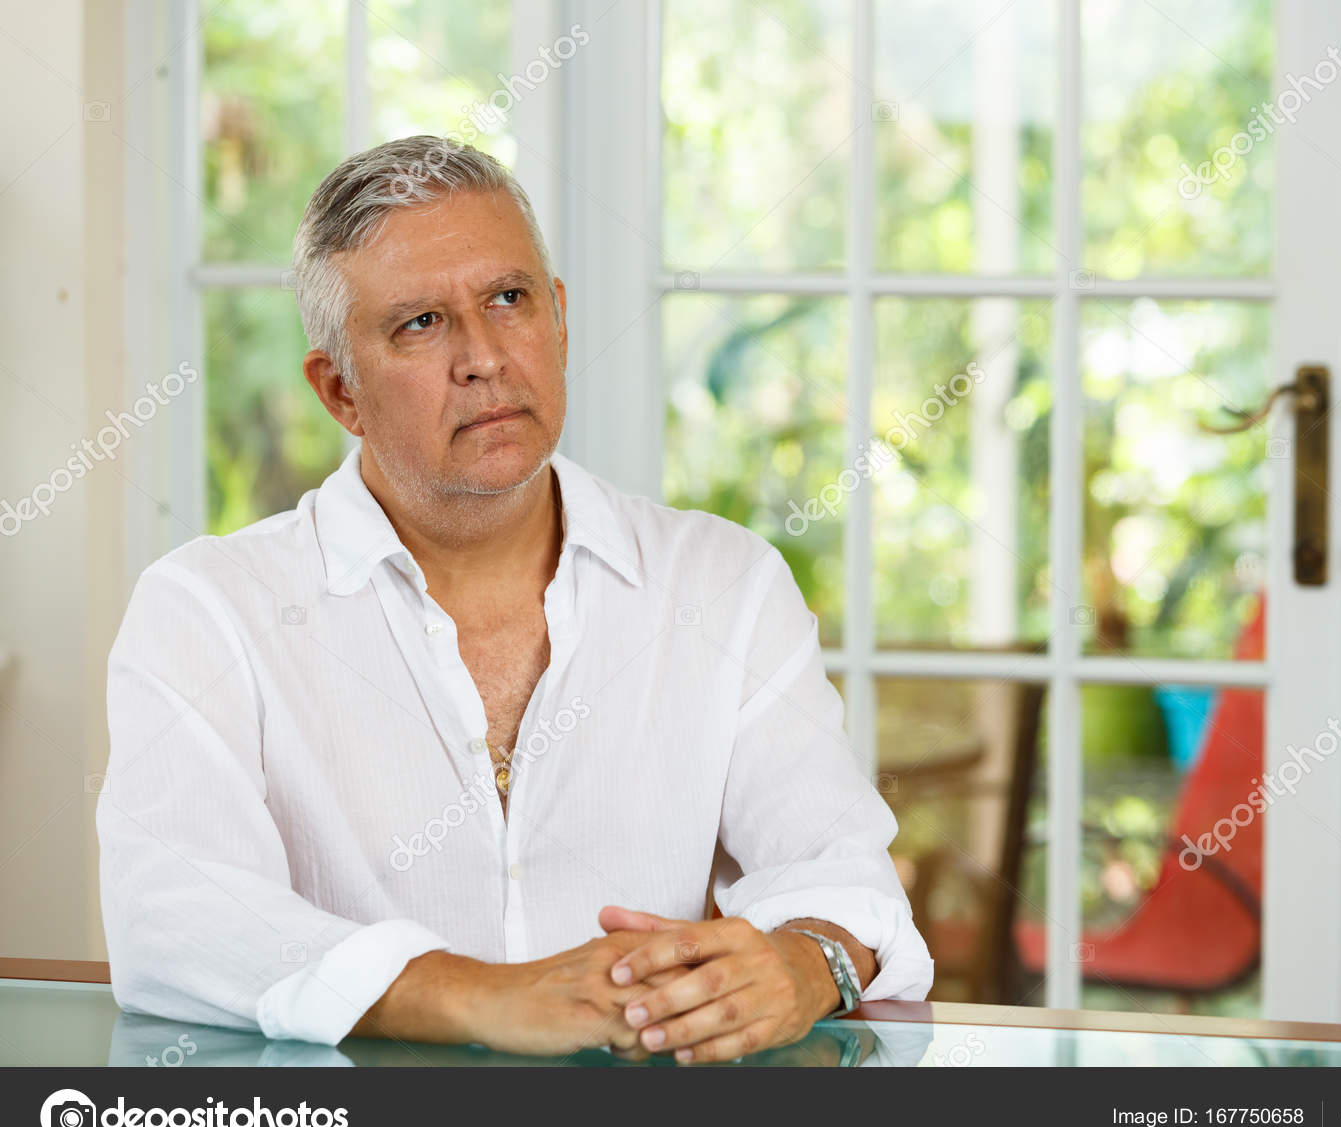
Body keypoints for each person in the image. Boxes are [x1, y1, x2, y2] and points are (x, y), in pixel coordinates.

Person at [97, 135, 932, 1065]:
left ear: (561, 322)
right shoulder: (207, 610)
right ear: (340, 391)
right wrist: (480, 995)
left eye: (508, 299)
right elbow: (171, 916)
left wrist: (800, 962)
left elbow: (843, 873)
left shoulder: (722, 583)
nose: (485, 358)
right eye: (419, 323)